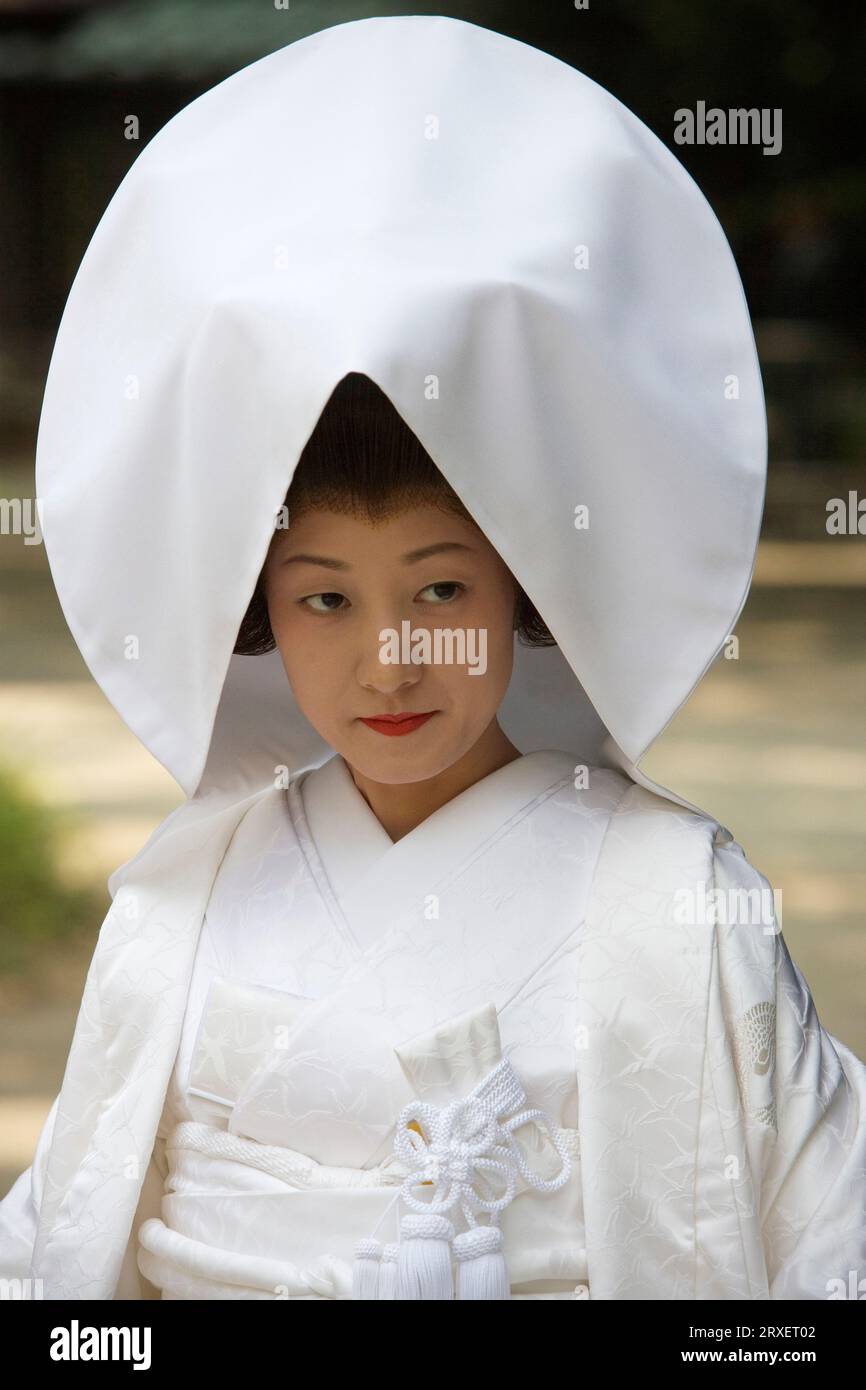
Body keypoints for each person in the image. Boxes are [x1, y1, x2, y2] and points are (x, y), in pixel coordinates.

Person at [1, 15, 864, 1301]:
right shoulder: (179, 909)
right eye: (324, 598)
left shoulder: (675, 898)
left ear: (529, 581)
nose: (389, 660)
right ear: (255, 611)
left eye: (442, 586)